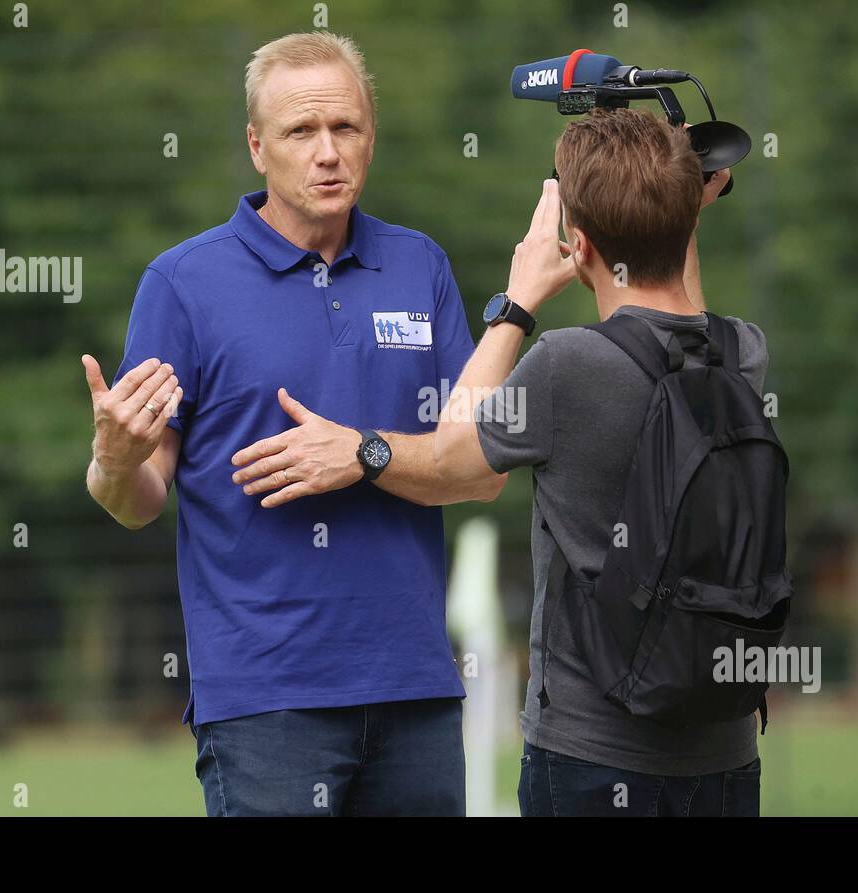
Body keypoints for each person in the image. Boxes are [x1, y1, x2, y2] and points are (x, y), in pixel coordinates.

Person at [80, 31, 502, 817]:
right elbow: (135, 498)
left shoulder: (421, 266)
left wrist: (364, 453)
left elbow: (483, 469)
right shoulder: (182, 283)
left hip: (416, 690)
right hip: (265, 703)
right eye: (301, 132)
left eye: (345, 128)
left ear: (371, 136)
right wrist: (112, 458)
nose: (328, 152)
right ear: (256, 146)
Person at [431, 108, 770, 816]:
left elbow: (451, 455)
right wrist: (677, 208)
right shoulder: (743, 354)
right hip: (728, 753)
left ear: (579, 247)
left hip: (591, 756)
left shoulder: (567, 363)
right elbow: (685, 330)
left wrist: (518, 303)